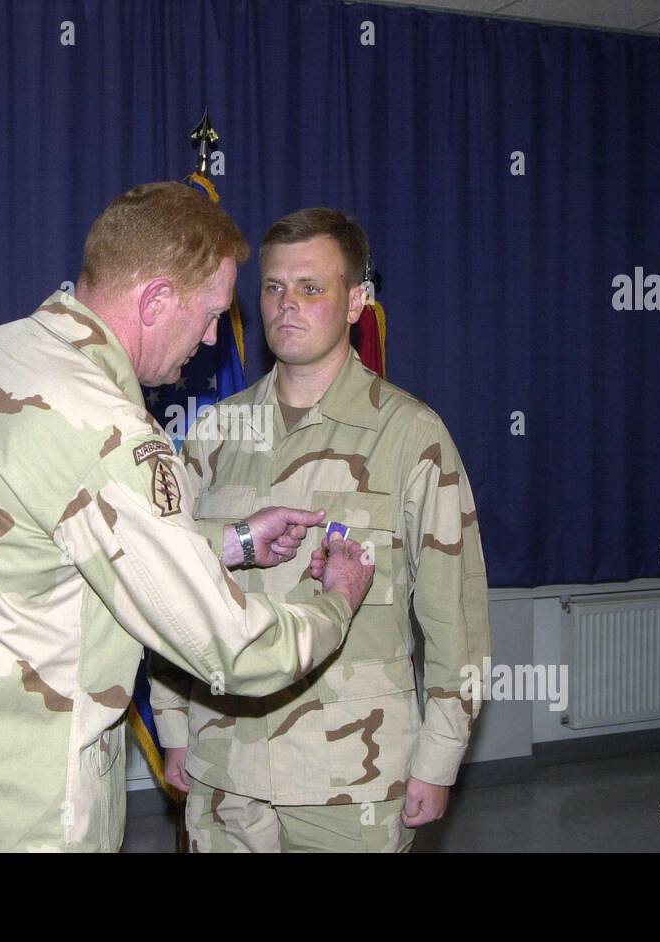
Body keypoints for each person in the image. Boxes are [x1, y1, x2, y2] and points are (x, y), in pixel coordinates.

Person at [0, 183, 375, 853]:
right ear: (154, 300)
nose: (214, 337)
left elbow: (48, 540)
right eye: (209, 314)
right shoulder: (102, 425)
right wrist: (334, 600)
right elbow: (234, 647)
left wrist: (235, 540)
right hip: (15, 818)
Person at [152, 207, 491, 853]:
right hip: (224, 765)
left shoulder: (411, 436)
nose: (288, 305)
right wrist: (172, 727)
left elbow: (457, 616)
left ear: (357, 300)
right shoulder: (214, 432)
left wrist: (439, 758)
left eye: (313, 288)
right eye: (274, 287)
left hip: (350, 775)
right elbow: (170, 585)